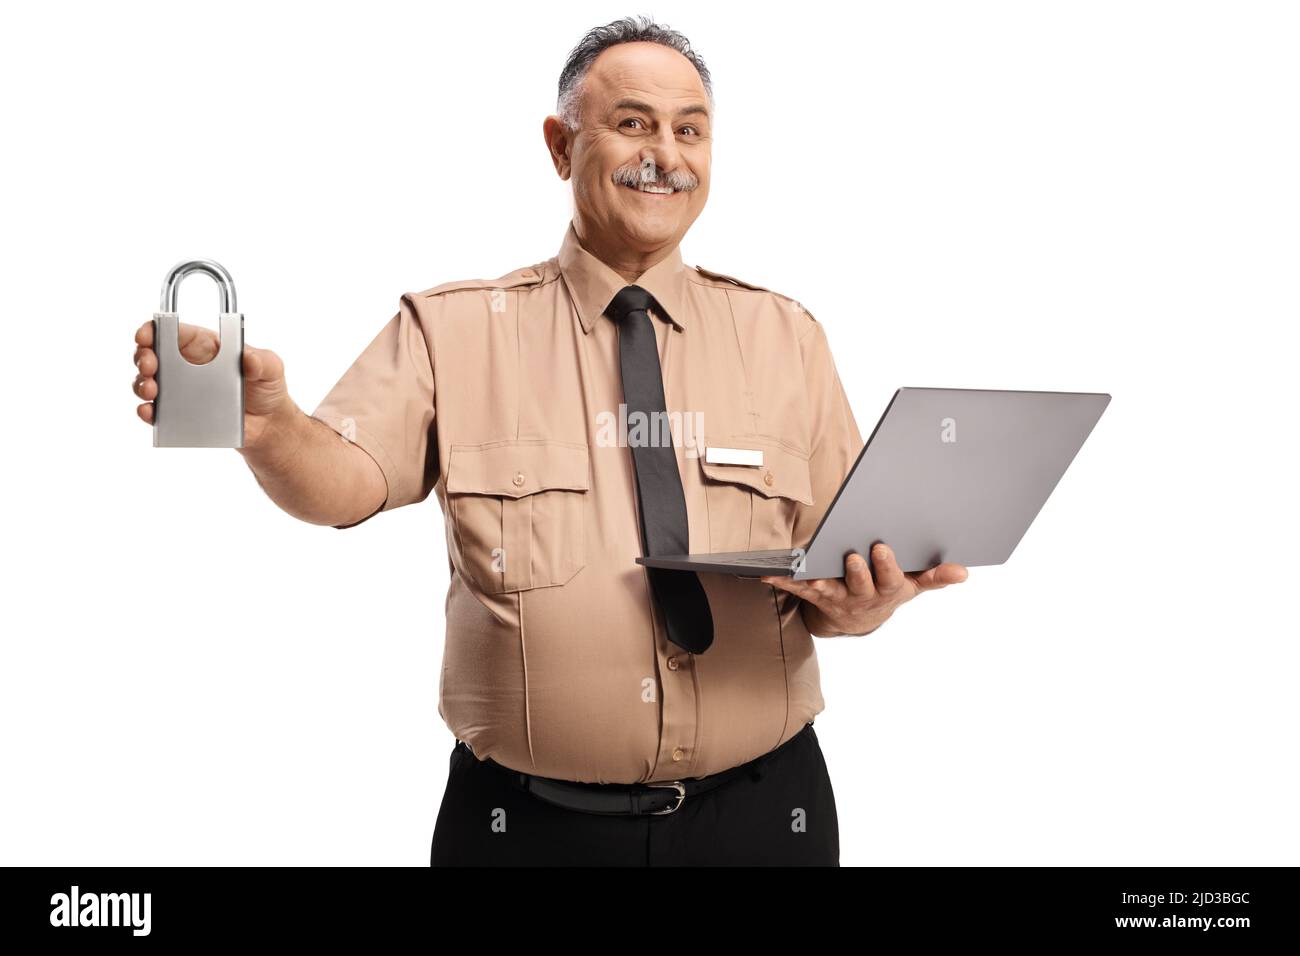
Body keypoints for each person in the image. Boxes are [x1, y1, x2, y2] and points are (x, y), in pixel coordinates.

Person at [130, 16, 968, 866]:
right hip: (527, 832)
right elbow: (341, 482)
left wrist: (867, 606)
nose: (664, 155)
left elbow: (840, 571)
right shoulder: (451, 331)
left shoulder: (787, 335)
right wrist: (269, 430)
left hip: (764, 819)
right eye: (633, 123)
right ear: (561, 146)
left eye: (691, 130)